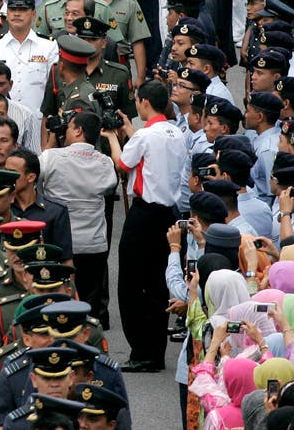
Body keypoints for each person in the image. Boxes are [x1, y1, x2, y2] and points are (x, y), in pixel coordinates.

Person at [107, 80, 188, 372]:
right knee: (157, 284)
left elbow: (123, 164)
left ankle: (141, 350)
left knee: (130, 285)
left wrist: (111, 137)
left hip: (143, 215)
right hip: (168, 214)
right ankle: (154, 350)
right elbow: (148, 148)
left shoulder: (145, 135)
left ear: (143, 102)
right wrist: (129, 130)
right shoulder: (175, 132)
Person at [39, 111, 117, 325]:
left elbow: (33, 171)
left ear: (78, 130)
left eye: (68, 126)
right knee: (88, 304)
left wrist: (52, 140)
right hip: (93, 245)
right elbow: (110, 186)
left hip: (58, 244)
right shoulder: (105, 162)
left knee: (55, 299)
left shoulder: (51, 157)